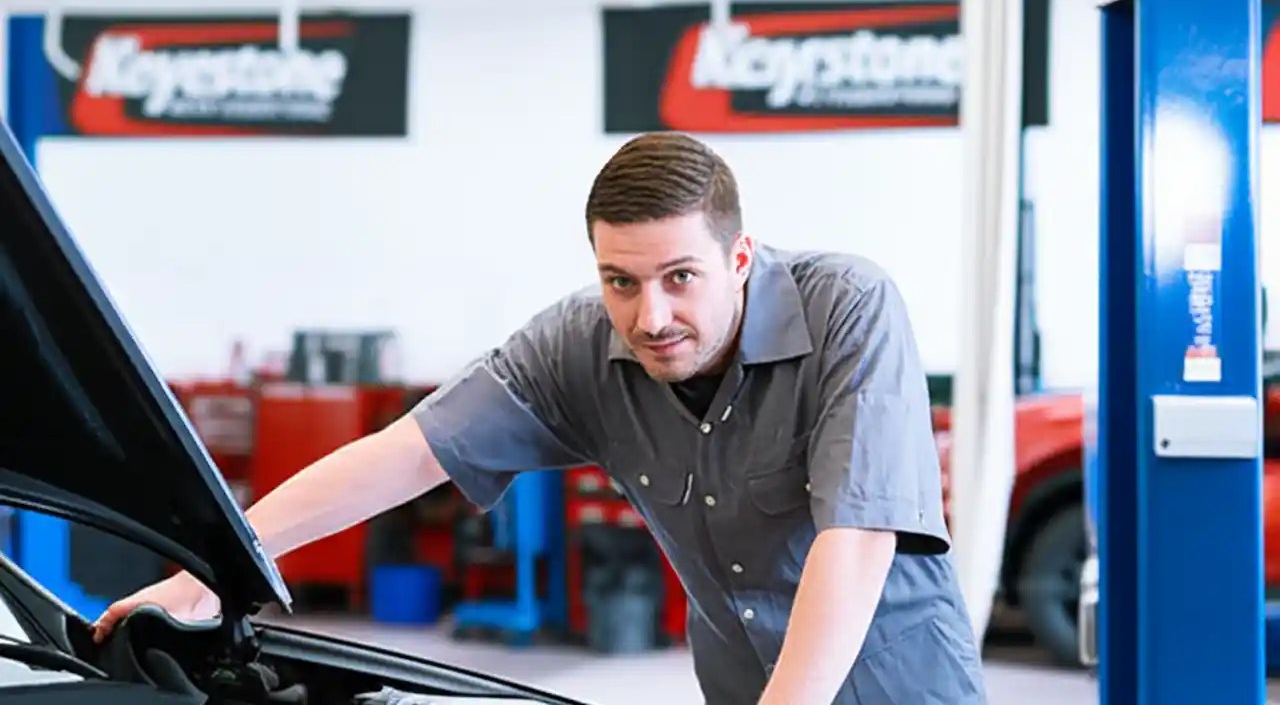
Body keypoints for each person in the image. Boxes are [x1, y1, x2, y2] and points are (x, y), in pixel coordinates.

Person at [93, 132, 987, 704]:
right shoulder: (579, 343)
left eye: (681, 277)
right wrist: (209, 573)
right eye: (621, 281)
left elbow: (858, 534)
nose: (651, 317)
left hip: (898, 684)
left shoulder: (848, 308)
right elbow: (408, 453)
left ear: (740, 256)